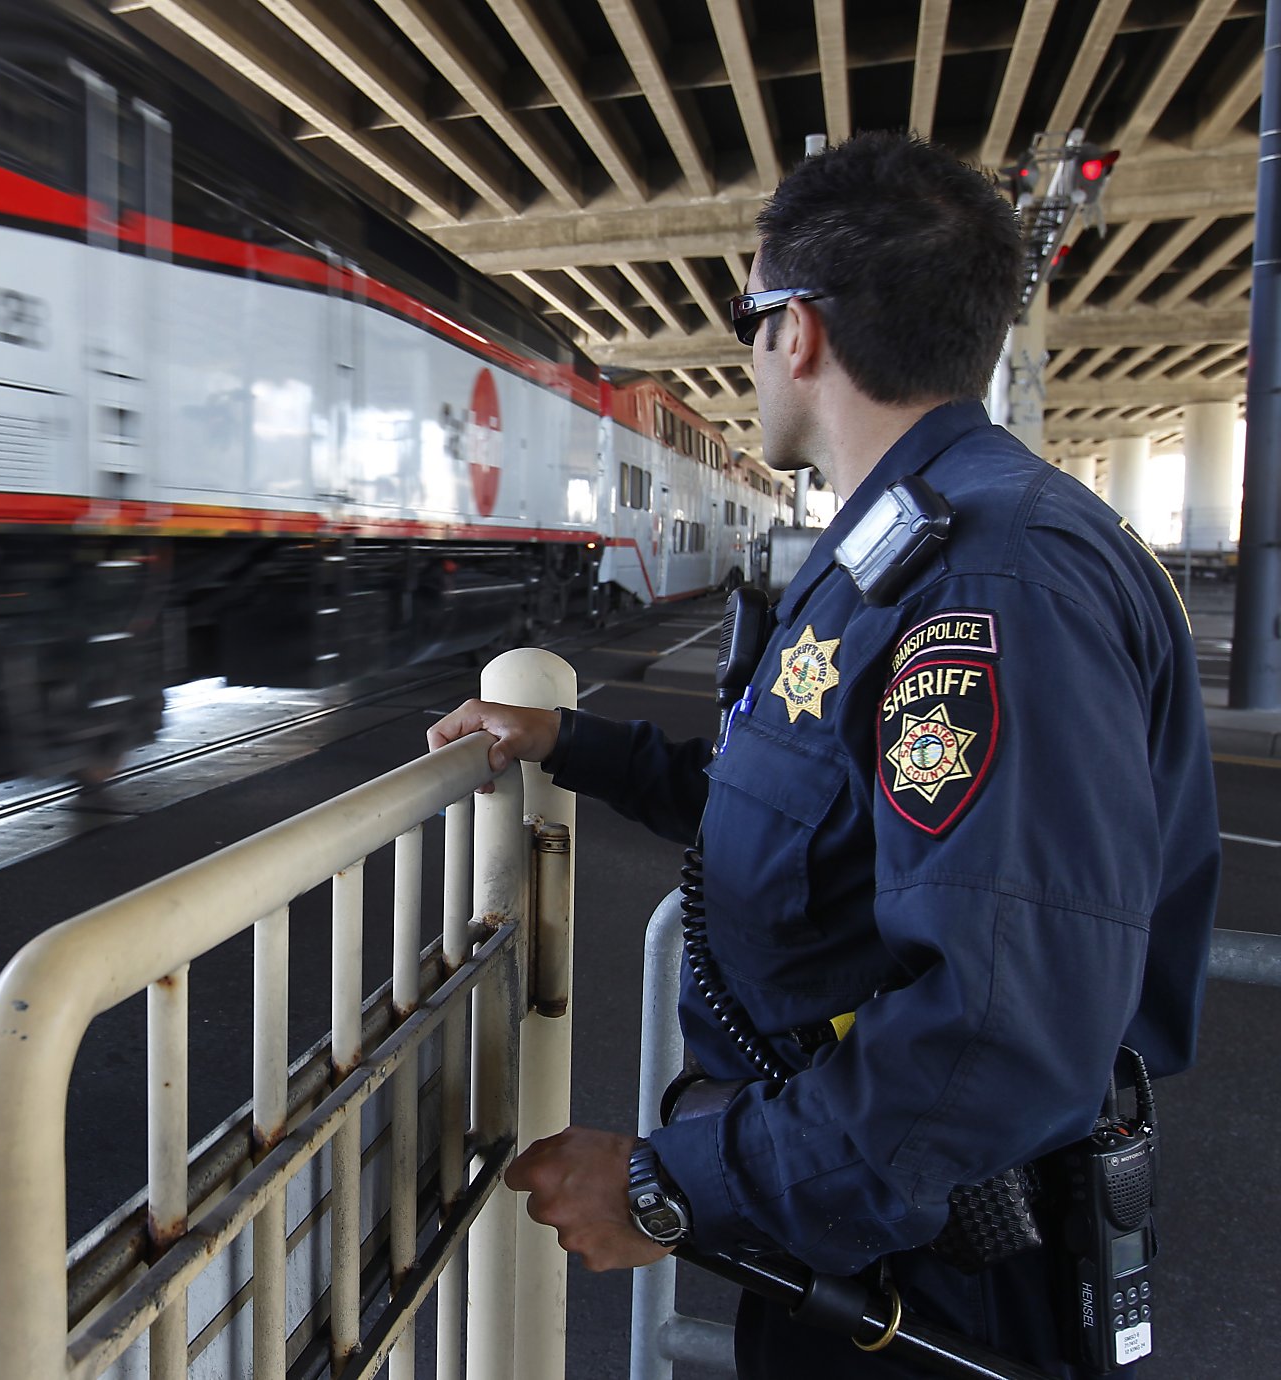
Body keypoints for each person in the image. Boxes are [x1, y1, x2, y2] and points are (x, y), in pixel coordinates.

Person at [427, 131, 1218, 1378]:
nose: (750, 355)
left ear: (796, 331)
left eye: (750, 319)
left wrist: (660, 1186)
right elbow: (824, 814)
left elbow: (997, 1029)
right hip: (848, 1226)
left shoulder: (989, 583)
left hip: (933, 1276)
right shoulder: (903, 550)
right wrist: (571, 742)